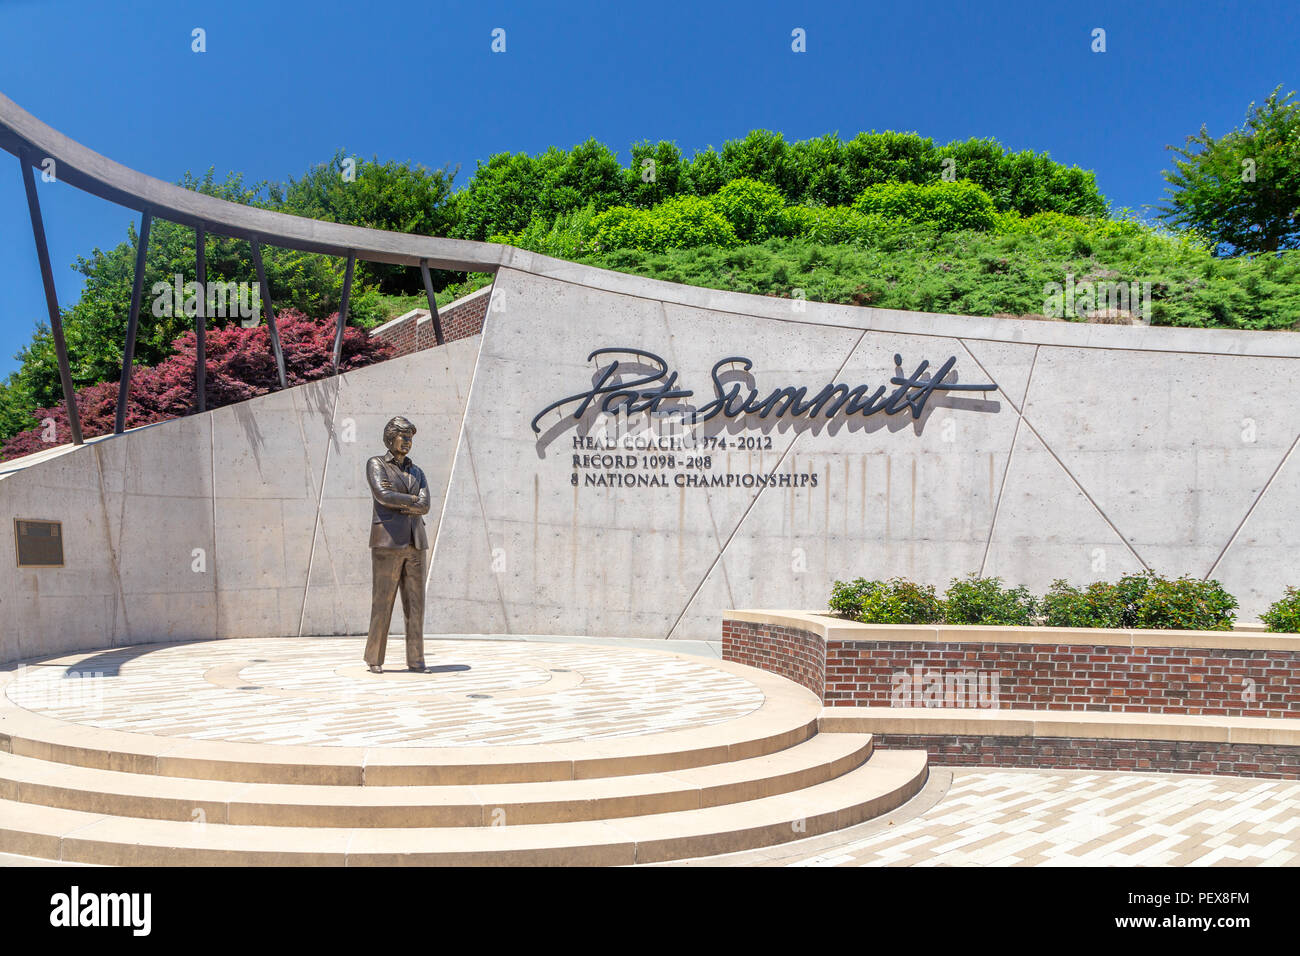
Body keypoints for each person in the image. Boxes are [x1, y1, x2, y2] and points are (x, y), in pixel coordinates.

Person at [364, 416, 431, 673]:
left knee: (416, 606)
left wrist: (404, 501)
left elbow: (425, 506)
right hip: (388, 542)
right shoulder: (376, 464)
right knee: (383, 602)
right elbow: (382, 495)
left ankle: (417, 659)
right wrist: (412, 500)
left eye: (411, 439)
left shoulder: (418, 472)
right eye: (404, 438)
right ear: (391, 438)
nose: (408, 443)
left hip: (416, 542)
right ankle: (374, 658)